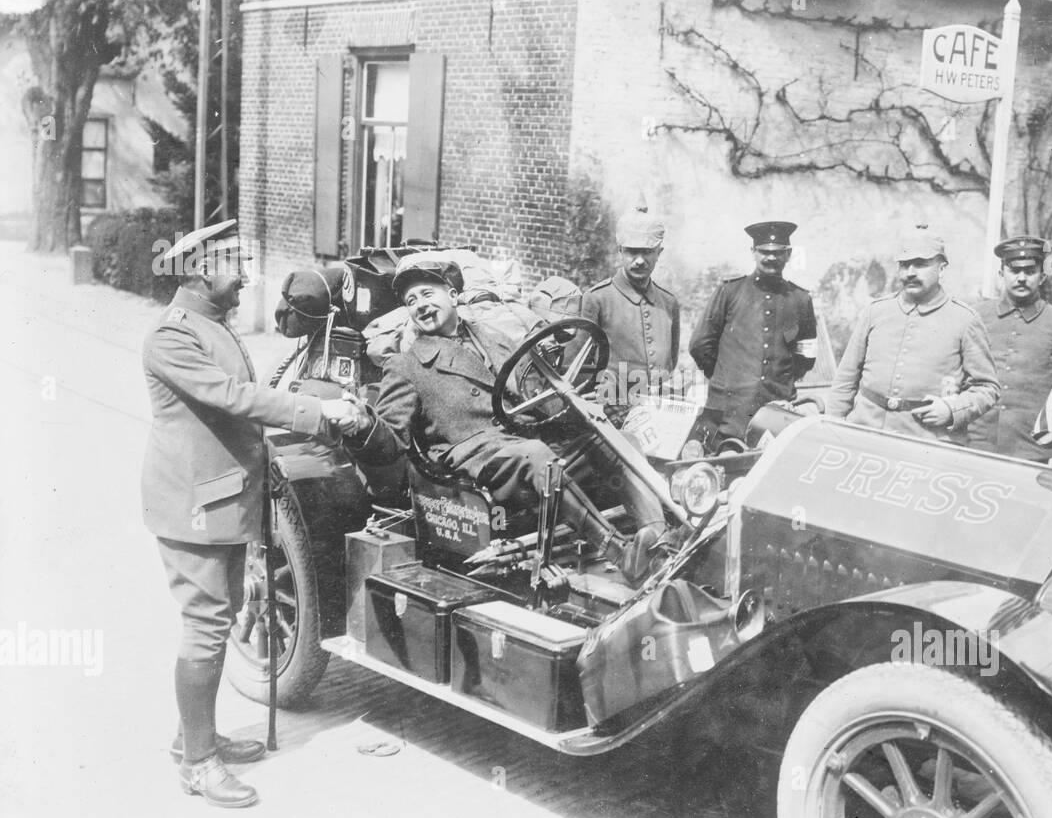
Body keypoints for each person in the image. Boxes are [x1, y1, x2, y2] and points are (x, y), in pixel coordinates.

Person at [142, 219, 358, 809]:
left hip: (225, 498)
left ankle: (196, 737)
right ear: (199, 269)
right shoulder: (172, 336)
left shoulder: (214, 325)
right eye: (234, 264)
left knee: (224, 614)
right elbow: (234, 399)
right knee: (208, 630)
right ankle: (198, 764)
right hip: (194, 507)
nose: (245, 276)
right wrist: (317, 410)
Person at [345, 253, 671, 583]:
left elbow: (537, 400)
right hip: (475, 462)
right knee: (537, 456)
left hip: (523, 443)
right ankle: (619, 552)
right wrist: (362, 425)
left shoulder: (497, 339)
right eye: (411, 301)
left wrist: (578, 406)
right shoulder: (406, 365)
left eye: (428, 294)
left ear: (454, 296)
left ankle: (658, 540)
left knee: (618, 441)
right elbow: (390, 438)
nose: (420, 306)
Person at [825, 226, 999, 442]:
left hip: (927, 441)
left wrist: (952, 410)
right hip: (865, 432)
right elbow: (846, 378)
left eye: (920, 264)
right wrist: (832, 426)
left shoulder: (965, 320)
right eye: (904, 265)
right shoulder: (876, 311)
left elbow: (987, 388)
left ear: (941, 269)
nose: (910, 273)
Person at [689, 221, 818, 440]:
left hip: (778, 410)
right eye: (764, 252)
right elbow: (700, 344)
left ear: (788, 255)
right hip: (729, 411)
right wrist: (725, 378)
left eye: (778, 253)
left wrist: (782, 381)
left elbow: (806, 354)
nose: (771, 258)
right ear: (753, 252)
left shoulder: (800, 299)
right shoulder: (730, 291)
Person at [967, 236, 1052, 462]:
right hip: (977, 441)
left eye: (1030, 271)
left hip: (1030, 448)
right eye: (1014, 270)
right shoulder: (977, 316)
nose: (1021, 278)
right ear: (1001, 275)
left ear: (1042, 276)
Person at [581, 205, 681, 406]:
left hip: (656, 409)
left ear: (659, 252)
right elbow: (577, 366)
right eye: (632, 252)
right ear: (620, 251)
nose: (640, 261)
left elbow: (670, 362)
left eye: (647, 252)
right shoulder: (597, 299)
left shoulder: (669, 303)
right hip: (609, 410)